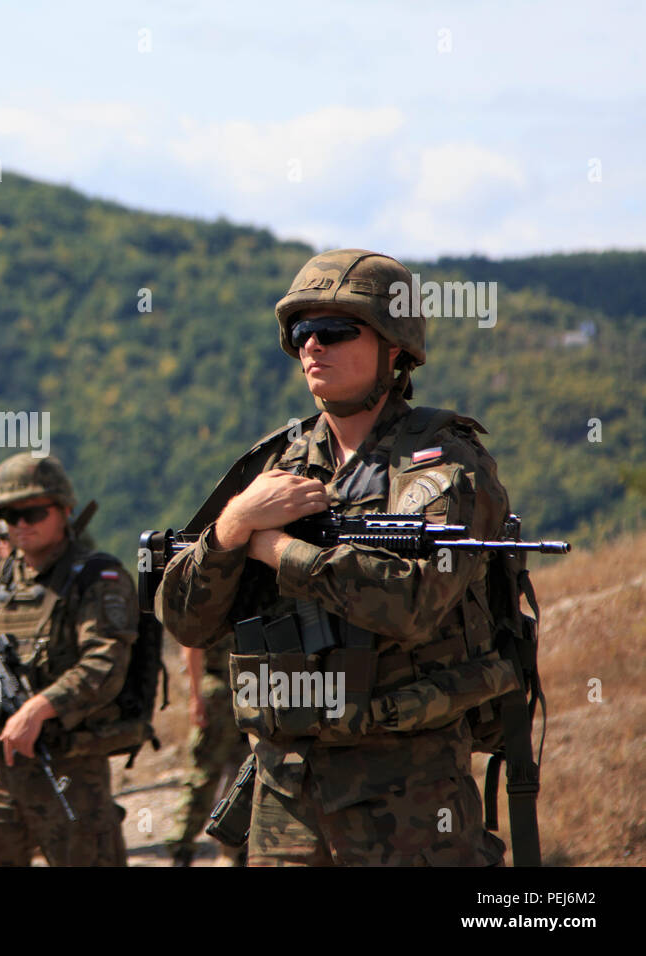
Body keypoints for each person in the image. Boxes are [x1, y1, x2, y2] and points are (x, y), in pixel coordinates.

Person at [156, 248, 513, 866]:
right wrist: (235, 526)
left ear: (394, 346)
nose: (312, 346)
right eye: (301, 332)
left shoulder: (442, 463)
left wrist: (281, 549)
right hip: (286, 791)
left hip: (406, 791)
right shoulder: (274, 465)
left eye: (336, 330)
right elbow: (185, 618)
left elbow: (413, 605)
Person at [0, 453, 137, 866]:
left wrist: (38, 709)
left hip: (69, 765)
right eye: (9, 514)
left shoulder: (97, 578)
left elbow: (105, 664)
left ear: (64, 509)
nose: (21, 524)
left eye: (33, 512)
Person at [164, 639, 248, 866]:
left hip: (248, 689)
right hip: (223, 692)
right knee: (204, 773)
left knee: (246, 776)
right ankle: (182, 846)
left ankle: (235, 848)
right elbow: (192, 646)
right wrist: (196, 695)